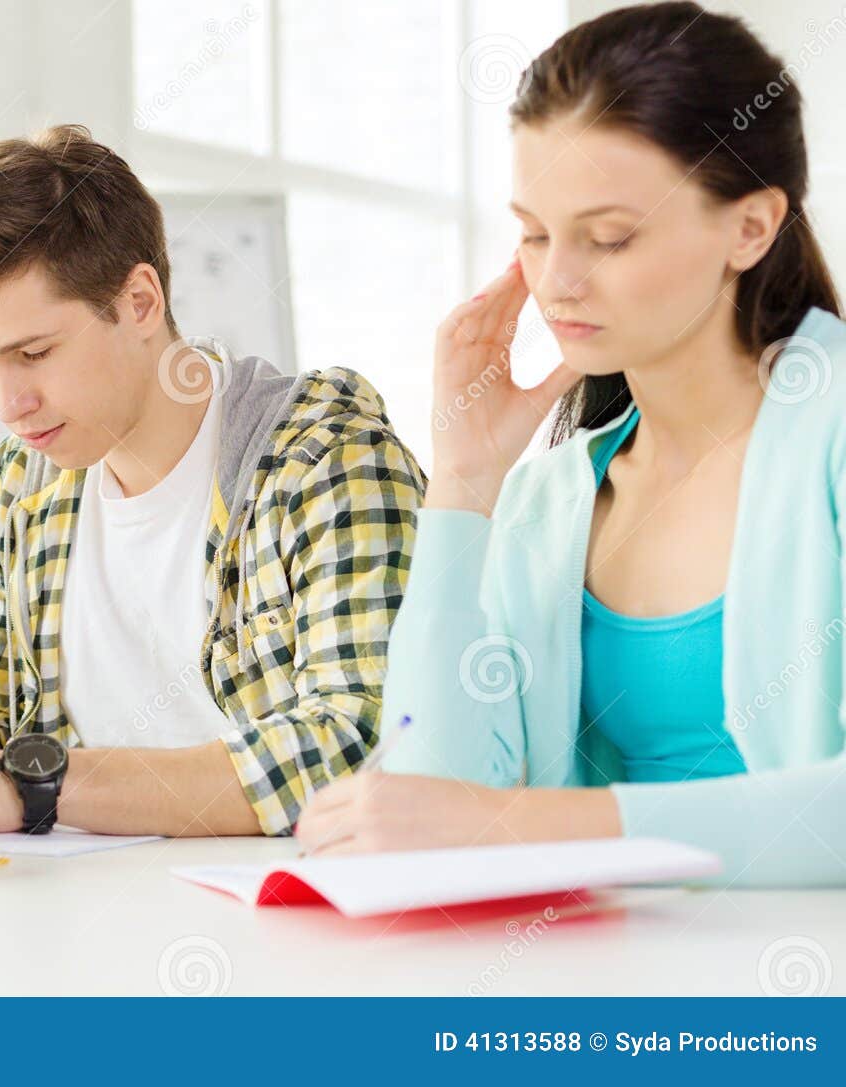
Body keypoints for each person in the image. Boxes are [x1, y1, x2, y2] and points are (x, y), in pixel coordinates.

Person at [0, 126, 425, 838]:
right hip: (74, 918)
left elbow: (357, 744)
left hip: (285, 921)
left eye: (33, 352)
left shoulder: (324, 462)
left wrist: (37, 784)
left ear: (139, 301)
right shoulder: (30, 479)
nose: (7, 405)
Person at [297, 2, 846, 886]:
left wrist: (529, 825)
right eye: (535, 233)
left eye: (610, 237)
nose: (558, 280)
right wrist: (466, 483)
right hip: (602, 980)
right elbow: (439, 798)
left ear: (750, 227)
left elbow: (484, 820)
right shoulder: (549, 499)